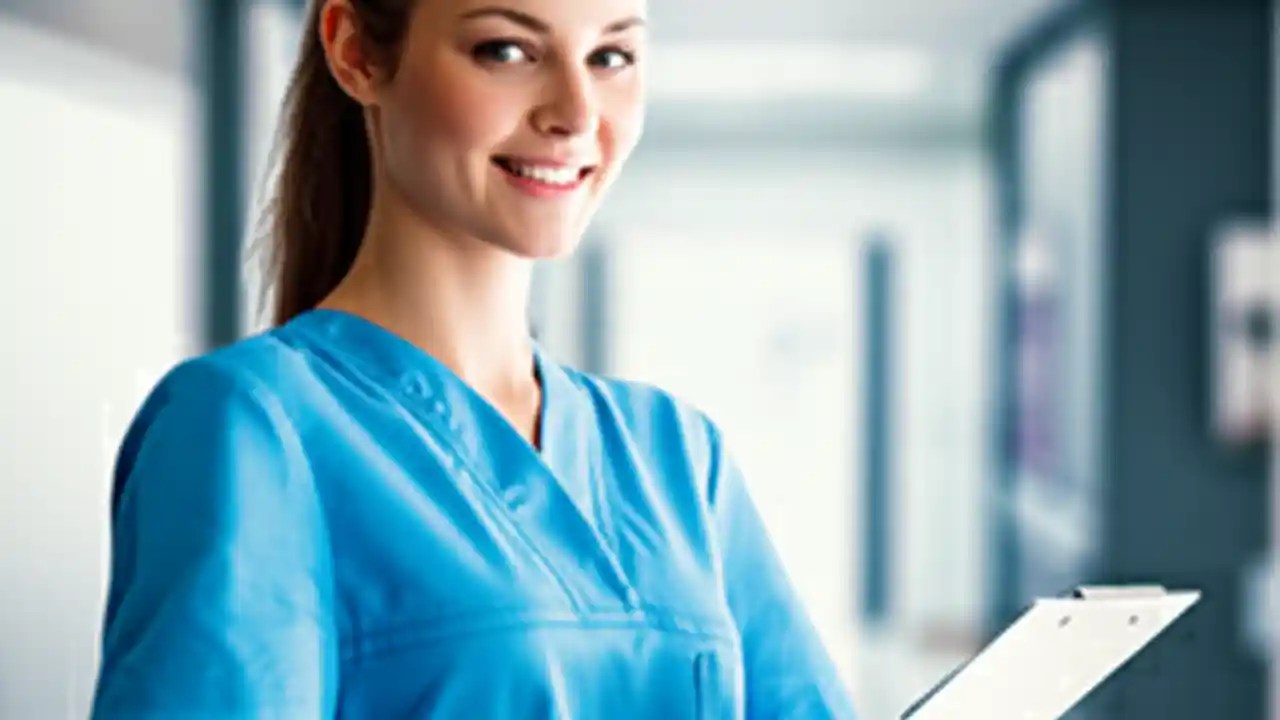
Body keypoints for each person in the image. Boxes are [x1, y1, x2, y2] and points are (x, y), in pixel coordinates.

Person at [89, 0, 857, 717]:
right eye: (508, 50)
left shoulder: (680, 458)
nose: (576, 113)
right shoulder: (253, 426)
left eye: (612, 57)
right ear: (354, 51)